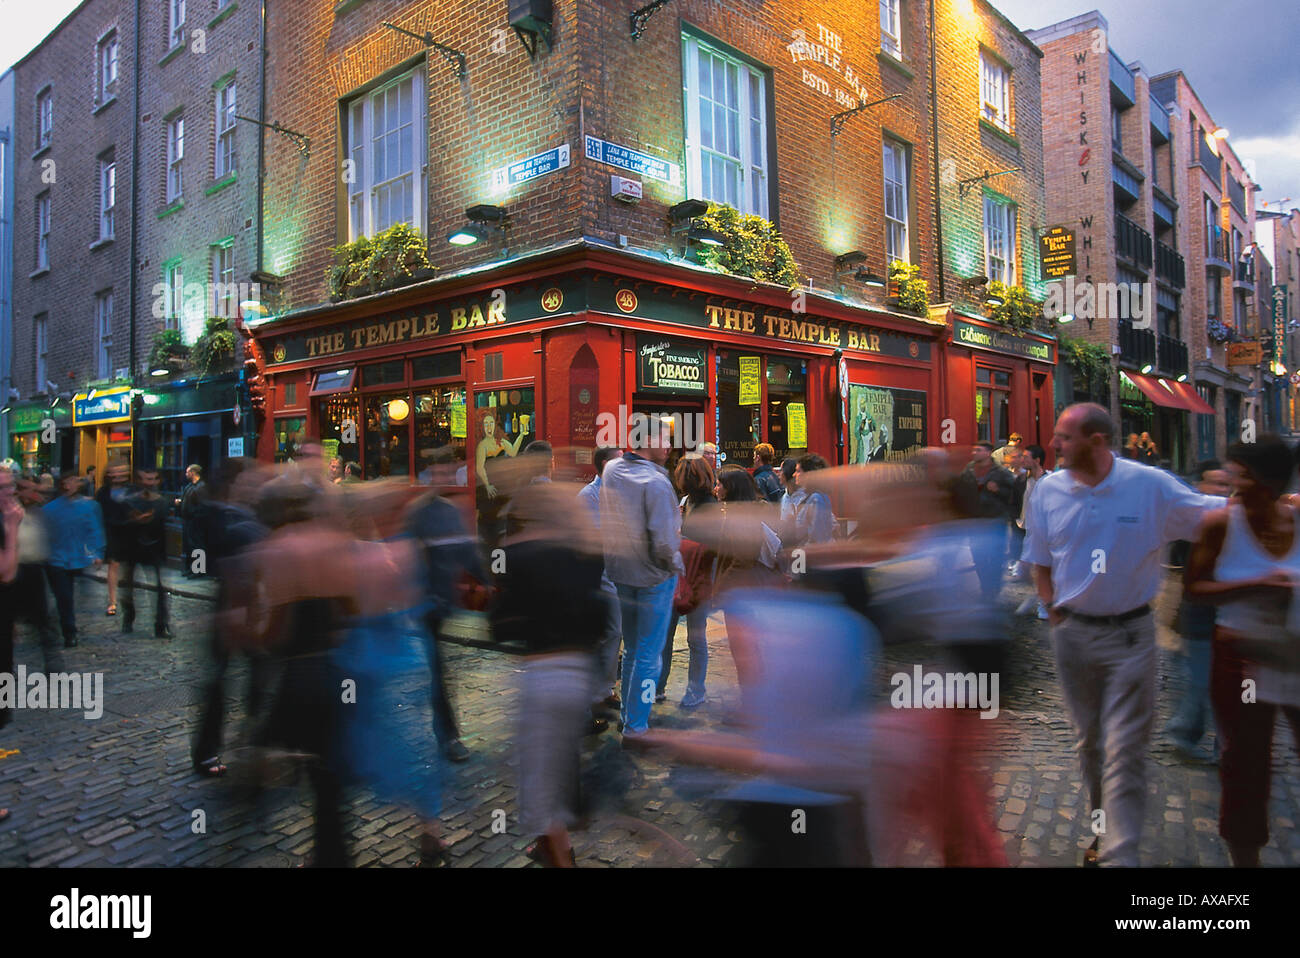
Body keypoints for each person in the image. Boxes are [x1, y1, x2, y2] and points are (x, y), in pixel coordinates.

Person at [1021, 403, 1222, 867]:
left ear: (1097, 441)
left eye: (1064, 437)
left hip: (1132, 634)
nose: (1054, 445)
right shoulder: (1049, 490)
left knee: (1125, 747)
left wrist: (1277, 504)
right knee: (1090, 743)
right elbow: (1040, 558)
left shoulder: (1147, 486)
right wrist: (1053, 610)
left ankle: (1120, 855)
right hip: (1073, 635)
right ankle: (1100, 827)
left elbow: (1210, 513)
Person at [1183, 436, 1300, 867]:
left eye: (1243, 475)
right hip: (1242, 658)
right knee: (1246, 763)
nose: (1234, 485)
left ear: (1270, 481)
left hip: (1296, 654)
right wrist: (1257, 585)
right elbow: (1195, 590)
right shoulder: (1220, 526)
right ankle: (1246, 860)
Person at [493, 481, 607, 866]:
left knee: (539, 779)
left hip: (541, 673)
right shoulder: (587, 551)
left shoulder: (515, 554)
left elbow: (500, 625)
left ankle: (561, 854)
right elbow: (601, 615)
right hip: (580, 674)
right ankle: (551, 841)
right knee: (560, 760)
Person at [600, 414, 682, 745]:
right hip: (653, 579)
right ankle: (637, 725)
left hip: (621, 573)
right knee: (650, 655)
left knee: (632, 648)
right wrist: (676, 564)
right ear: (647, 442)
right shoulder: (658, 484)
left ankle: (628, 717)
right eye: (664, 438)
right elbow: (664, 543)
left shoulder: (611, 470)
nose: (668, 445)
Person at [405, 485, 488, 764]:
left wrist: (486, 582)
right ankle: (447, 736)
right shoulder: (416, 512)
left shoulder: (449, 512)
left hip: (439, 603)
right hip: (423, 604)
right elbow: (409, 559)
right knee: (435, 671)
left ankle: (447, 734)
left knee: (437, 670)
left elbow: (467, 550)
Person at [1161, 461, 1232, 762]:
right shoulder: (1192, 526)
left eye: (1226, 485)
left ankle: (1218, 743)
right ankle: (1186, 733)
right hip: (1200, 616)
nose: (1221, 490)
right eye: (1215, 484)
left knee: (1218, 683)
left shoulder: (1234, 520)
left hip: (1231, 617)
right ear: (1199, 488)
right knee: (1203, 682)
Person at [658, 456, 718, 708]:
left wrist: (681, 537)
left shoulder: (710, 508)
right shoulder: (687, 502)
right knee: (667, 635)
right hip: (679, 575)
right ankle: (660, 686)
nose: (678, 479)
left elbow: (711, 546)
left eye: (682, 475)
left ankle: (696, 689)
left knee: (695, 637)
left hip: (698, 577)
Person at [577, 445, 624, 719]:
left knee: (614, 632)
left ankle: (605, 689)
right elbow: (598, 538)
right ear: (605, 465)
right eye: (619, 462)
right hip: (599, 572)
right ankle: (595, 693)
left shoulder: (620, 493)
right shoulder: (589, 496)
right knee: (607, 631)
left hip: (618, 570)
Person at [43, 473, 105, 649]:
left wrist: (97, 552)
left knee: (75, 595)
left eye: (74, 481)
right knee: (64, 596)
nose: (71, 485)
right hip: (57, 559)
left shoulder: (88, 506)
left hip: (77, 557)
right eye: (68, 481)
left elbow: (94, 530)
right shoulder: (50, 509)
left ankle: (65, 624)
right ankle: (69, 631)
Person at [957, 442, 1016, 603]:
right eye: (974, 449)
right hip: (975, 521)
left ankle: (993, 589)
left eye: (978, 450)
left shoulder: (1001, 472)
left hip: (995, 521)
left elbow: (1013, 494)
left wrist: (998, 490)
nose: (974, 452)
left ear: (988, 453)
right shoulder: (968, 470)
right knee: (979, 558)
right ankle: (986, 588)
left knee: (995, 558)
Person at [121, 468, 173, 639]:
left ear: (158, 481)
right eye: (145, 479)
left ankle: (161, 625)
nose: (149, 483)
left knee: (160, 588)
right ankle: (128, 616)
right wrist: (134, 520)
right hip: (132, 547)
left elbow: (165, 526)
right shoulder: (129, 501)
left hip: (155, 549)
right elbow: (119, 524)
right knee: (128, 588)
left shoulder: (163, 502)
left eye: (152, 479)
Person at [1013, 445, 1049, 616]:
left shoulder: (1049, 481)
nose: (1022, 460)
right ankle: (1038, 594)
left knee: (1042, 567)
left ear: (1037, 460)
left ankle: (1044, 602)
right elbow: (1016, 503)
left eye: (1026, 457)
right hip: (1026, 530)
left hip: (1045, 532)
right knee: (1024, 570)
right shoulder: (1021, 481)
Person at [96, 465, 131, 616]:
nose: (118, 476)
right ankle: (113, 602)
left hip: (129, 531)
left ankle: (128, 600)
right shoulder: (103, 492)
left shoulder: (132, 490)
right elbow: (97, 512)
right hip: (111, 531)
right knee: (114, 565)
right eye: (114, 473)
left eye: (121, 473)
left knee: (130, 567)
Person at [791, 454, 835, 546]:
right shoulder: (813, 497)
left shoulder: (816, 499)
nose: (794, 475)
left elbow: (817, 538)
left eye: (798, 471)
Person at [178, 464, 209, 579]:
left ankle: (199, 570)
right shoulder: (190, 486)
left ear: (193, 473)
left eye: (187, 472)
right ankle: (192, 568)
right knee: (190, 546)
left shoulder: (201, 487)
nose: (186, 474)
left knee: (197, 546)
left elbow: (202, 505)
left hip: (196, 521)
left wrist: (195, 515)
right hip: (188, 520)